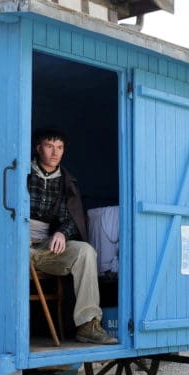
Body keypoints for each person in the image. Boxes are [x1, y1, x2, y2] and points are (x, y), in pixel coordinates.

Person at [28, 128, 117, 345]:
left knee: (85, 251)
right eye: (49, 146)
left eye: (59, 147)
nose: (54, 152)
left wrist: (61, 232)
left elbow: (72, 217)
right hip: (18, 246)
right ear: (39, 148)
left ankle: (88, 325)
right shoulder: (24, 173)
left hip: (45, 248)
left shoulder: (65, 181)